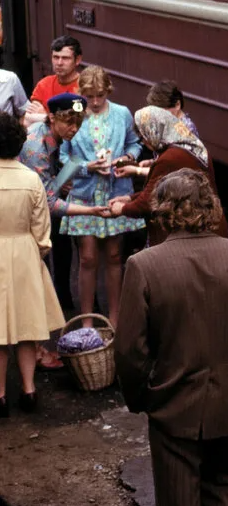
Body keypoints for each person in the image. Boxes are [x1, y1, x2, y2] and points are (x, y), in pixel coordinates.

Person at [115, 168, 228, 506]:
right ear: (210, 208)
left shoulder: (143, 265)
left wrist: (142, 398)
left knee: (177, 497)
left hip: (172, 404)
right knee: (222, 491)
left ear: (162, 211)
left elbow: (130, 350)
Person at [19, 93, 109, 368]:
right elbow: (47, 200)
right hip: (21, 222)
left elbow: (56, 177)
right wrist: (91, 211)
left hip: (29, 217)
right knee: (30, 288)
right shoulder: (36, 145)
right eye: (69, 122)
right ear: (52, 118)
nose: (74, 129)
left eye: (78, 123)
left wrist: (85, 167)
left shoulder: (51, 135)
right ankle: (34, 352)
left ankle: (34, 349)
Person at [59, 66, 143, 329]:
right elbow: (64, 154)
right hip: (85, 194)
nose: (94, 102)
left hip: (116, 192)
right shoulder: (74, 111)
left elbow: (134, 143)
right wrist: (87, 167)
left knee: (116, 256)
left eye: (99, 96)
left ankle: (115, 319)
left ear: (108, 91)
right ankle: (87, 321)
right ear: (80, 93)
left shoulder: (121, 113)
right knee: (87, 258)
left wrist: (127, 158)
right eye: (89, 96)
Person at [0, 111, 66, 416]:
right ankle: (29, 390)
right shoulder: (30, 180)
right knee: (26, 329)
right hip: (25, 254)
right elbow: (42, 231)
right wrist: (37, 252)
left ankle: (0, 395)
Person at [108, 106, 227, 247]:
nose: (144, 142)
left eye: (144, 136)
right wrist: (129, 199)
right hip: (205, 227)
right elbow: (160, 192)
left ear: (154, 130)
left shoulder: (170, 158)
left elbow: (149, 202)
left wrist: (122, 209)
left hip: (192, 236)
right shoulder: (186, 146)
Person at [28, 35, 83, 111]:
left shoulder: (86, 86)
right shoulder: (44, 85)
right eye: (56, 57)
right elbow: (30, 117)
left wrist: (46, 117)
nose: (59, 63)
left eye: (65, 58)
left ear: (77, 60)